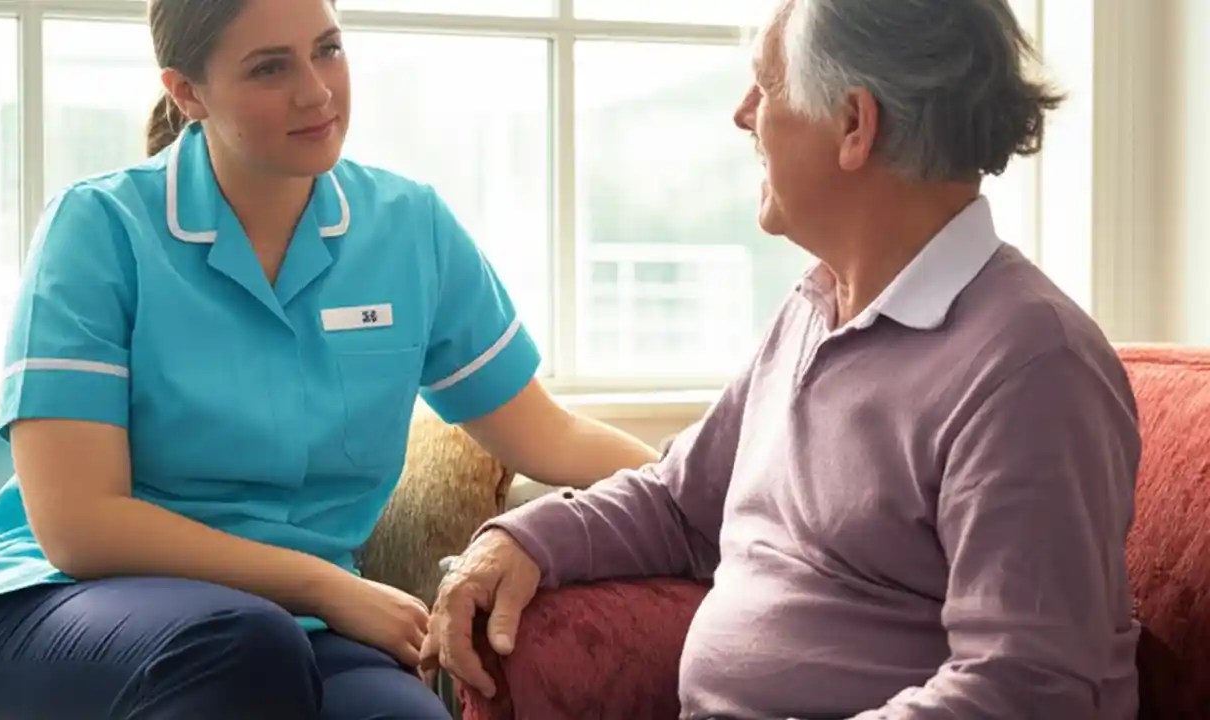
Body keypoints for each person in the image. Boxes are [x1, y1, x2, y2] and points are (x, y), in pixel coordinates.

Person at [0, 0, 660, 718]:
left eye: (328, 49)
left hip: (298, 629)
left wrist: (706, 496)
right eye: (270, 67)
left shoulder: (411, 229)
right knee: (245, 648)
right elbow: (80, 526)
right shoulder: (97, 229)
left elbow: (549, 435)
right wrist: (323, 585)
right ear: (186, 92)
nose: (315, 91)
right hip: (53, 605)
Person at [424, 1, 1143, 718]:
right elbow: (683, 506)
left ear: (855, 126)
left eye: (766, 86)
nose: (744, 115)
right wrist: (520, 540)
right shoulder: (815, 309)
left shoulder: (1032, 368)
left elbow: (1026, 687)